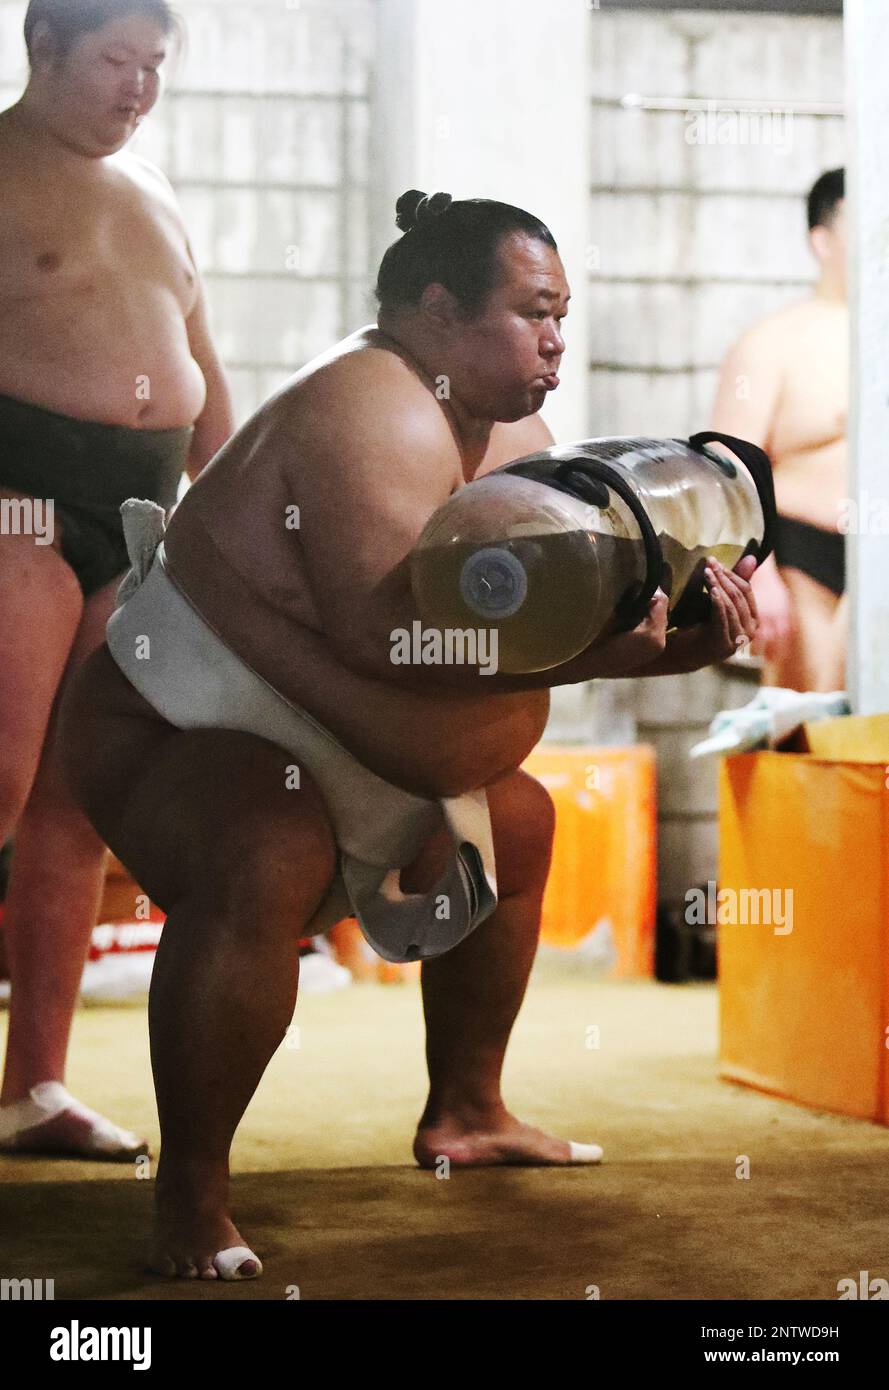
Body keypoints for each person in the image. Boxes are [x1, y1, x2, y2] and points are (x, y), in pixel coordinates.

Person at [59, 189, 759, 1280]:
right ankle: (190, 1196)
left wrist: (677, 638)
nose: (555, 340)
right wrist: (602, 657)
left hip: (327, 720)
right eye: (533, 312)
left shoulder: (522, 436)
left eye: (563, 315)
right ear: (434, 310)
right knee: (269, 841)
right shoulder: (369, 408)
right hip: (168, 718)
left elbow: (532, 628)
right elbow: (397, 643)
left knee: (518, 822)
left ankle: (466, 1112)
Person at [0, 0, 234, 1158]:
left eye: (155, 65)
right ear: (42, 48)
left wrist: (244, 509)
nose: (140, 87)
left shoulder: (154, 188)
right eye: (115, 62)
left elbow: (203, 358)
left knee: (74, 800)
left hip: (147, 517)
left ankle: (30, 1086)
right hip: (18, 505)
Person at [711, 168, 847, 692]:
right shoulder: (772, 343)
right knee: (811, 722)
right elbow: (730, 470)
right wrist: (757, 574)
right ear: (823, 240)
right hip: (804, 559)